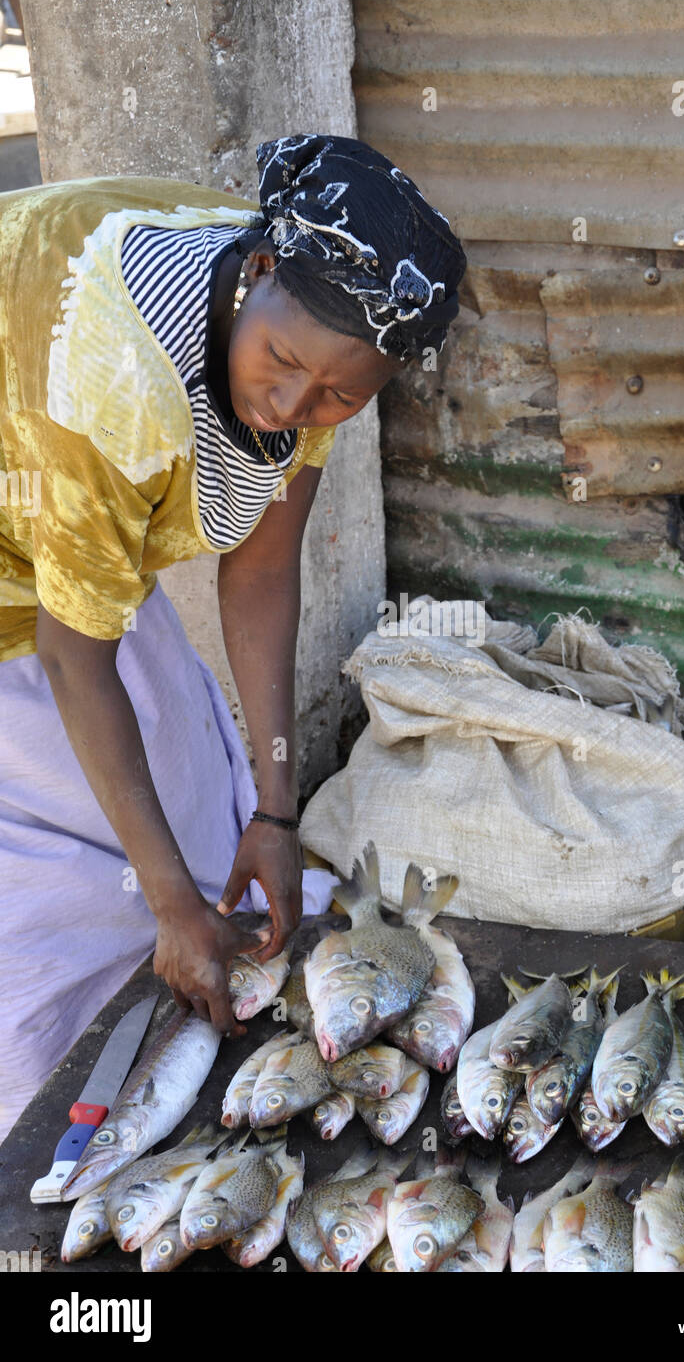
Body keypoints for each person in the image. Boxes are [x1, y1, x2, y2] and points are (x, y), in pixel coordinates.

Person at [0, 133, 466, 1141]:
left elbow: (257, 568)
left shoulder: (329, 318)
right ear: (252, 271)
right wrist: (169, 906)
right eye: (283, 367)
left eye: (337, 395)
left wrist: (279, 807)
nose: (296, 405)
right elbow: (73, 660)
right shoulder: (107, 381)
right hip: (27, 533)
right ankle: (41, 1129)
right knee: (44, 914)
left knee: (203, 829)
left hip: (68, 558)